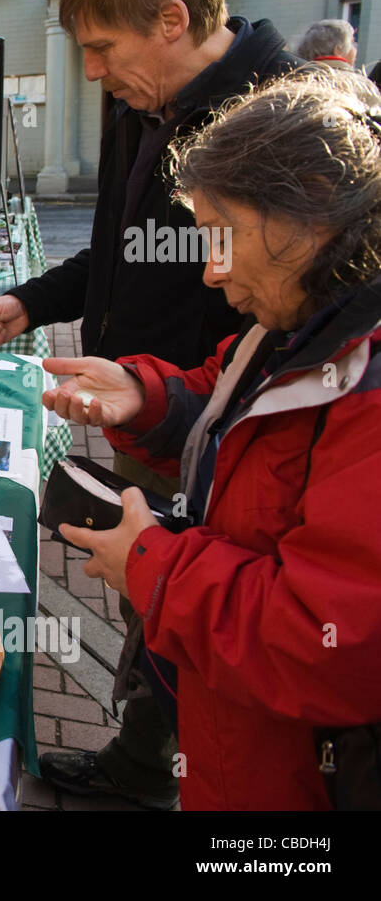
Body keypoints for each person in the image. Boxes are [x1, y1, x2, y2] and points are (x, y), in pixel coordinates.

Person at [0, 0, 300, 810]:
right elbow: (115, 251)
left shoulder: (277, 120)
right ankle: (147, 761)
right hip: (152, 407)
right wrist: (31, 302)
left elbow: (275, 336)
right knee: (153, 600)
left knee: (200, 617)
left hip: (230, 438)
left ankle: (163, 770)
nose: (92, 70)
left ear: (173, 20)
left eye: (103, 47)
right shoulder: (138, 103)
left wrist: (179, 399)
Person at [43, 66, 381, 809]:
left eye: (223, 236)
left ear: (314, 213)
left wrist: (151, 566)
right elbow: (228, 413)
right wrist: (147, 398)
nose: (210, 271)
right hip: (234, 757)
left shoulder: (365, 387)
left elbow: (324, 640)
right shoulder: (287, 327)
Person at [293, 19, 357, 69]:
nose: (355, 49)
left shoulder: (295, 76)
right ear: (338, 50)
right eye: (352, 43)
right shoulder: (353, 83)